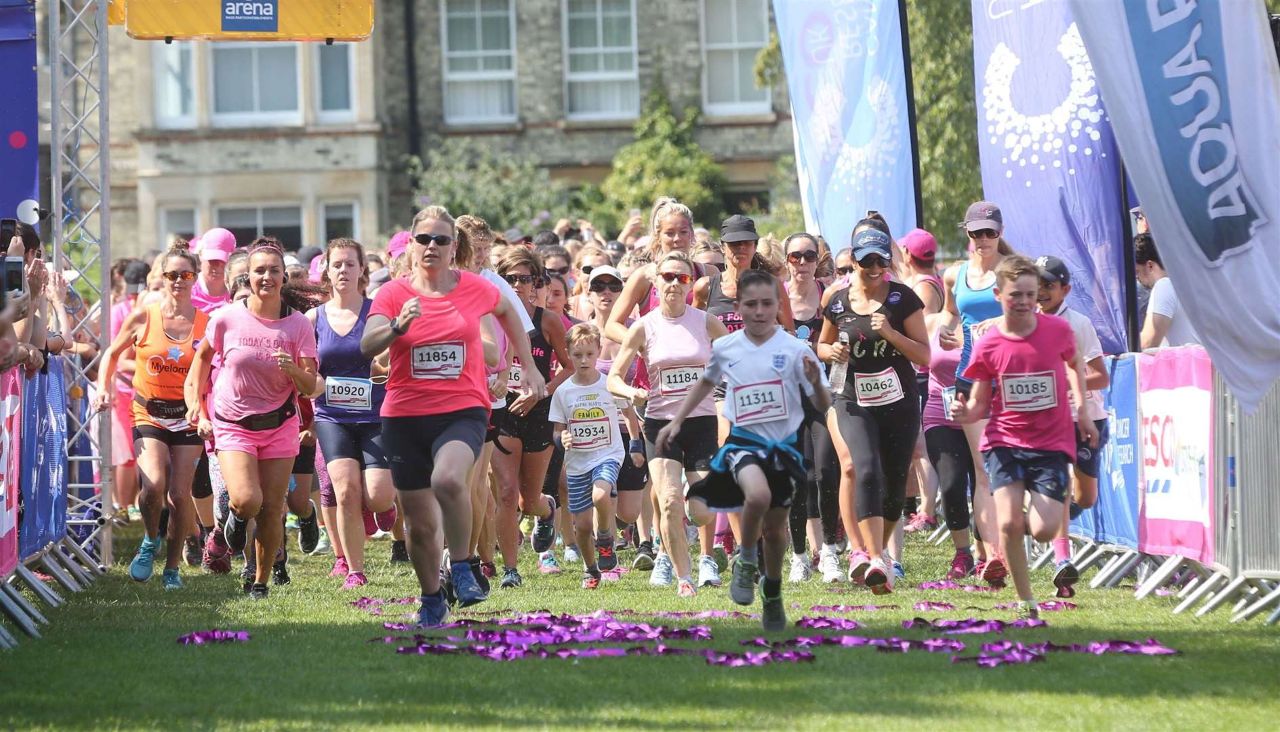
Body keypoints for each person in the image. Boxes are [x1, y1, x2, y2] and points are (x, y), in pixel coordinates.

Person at [360, 206, 546, 627]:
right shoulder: (392, 294)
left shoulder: (475, 287)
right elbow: (368, 345)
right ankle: (431, 598)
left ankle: (462, 565)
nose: (432, 246)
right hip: (405, 414)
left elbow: (509, 312)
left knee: (448, 479)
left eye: (441, 240)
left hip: (463, 408)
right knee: (419, 524)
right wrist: (396, 327)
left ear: (453, 247)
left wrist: (530, 367)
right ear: (411, 245)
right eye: (424, 239)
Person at [661, 269, 831, 631]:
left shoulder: (795, 349)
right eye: (751, 304)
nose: (759, 311)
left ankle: (772, 592)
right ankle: (747, 558)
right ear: (738, 308)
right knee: (757, 495)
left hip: (784, 448)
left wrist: (816, 383)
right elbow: (704, 384)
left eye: (767, 304)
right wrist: (678, 420)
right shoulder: (727, 348)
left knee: (776, 529)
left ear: (778, 306)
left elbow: (823, 401)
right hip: (744, 444)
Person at [951, 255, 1099, 620]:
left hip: (1051, 443)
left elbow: (1076, 365)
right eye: (1016, 294)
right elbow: (979, 403)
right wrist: (965, 413)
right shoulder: (988, 344)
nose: (1025, 301)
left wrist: (1083, 411)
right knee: (1007, 523)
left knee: (1043, 530)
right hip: (1004, 442)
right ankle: (1026, 601)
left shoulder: (1058, 331)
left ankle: (1037, 517)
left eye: (1030, 294)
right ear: (998, 295)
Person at [184, 242, 319, 600]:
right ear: (248, 276)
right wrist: (194, 401)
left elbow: (309, 386)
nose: (267, 277)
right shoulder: (226, 317)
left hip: (280, 423)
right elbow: (202, 358)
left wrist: (293, 370)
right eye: (260, 271)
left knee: (273, 509)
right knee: (246, 499)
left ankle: (259, 581)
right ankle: (238, 516)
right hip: (233, 422)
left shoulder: (298, 324)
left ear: (284, 277)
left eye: (274, 270)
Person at [608, 250, 729, 598]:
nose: (675, 283)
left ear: (691, 284)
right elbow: (613, 377)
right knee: (670, 500)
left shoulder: (706, 322)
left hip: (702, 422)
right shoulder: (643, 327)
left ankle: (696, 501)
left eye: (682, 277)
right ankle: (683, 578)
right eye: (668, 277)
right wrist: (632, 391)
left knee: (702, 513)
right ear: (656, 282)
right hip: (660, 424)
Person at [817, 228, 929, 593]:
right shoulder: (838, 302)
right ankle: (871, 556)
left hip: (899, 403)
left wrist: (893, 334)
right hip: (852, 400)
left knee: (895, 484)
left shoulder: (903, 299)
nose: (876, 267)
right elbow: (822, 344)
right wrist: (831, 352)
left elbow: (925, 355)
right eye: (868, 260)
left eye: (882, 260)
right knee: (862, 467)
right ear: (854, 261)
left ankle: (879, 555)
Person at [95, 243, 208, 589]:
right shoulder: (144, 316)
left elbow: (216, 369)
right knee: (153, 486)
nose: (179, 281)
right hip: (149, 412)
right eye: (172, 274)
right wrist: (103, 387)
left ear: (195, 278)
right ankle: (149, 538)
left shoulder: (206, 323)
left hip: (187, 416)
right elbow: (111, 354)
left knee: (180, 494)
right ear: (161, 277)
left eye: (186, 274)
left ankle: (172, 569)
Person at [309, 238, 397, 590]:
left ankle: (381, 506)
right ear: (327, 271)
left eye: (350, 264)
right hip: (332, 417)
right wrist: (314, 383)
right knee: (345, 490)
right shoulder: (313, 318)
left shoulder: (378, 314)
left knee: (378, 496)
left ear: (363, 269)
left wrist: (385, 366)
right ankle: (355, 571)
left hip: (376, 415)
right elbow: (308, 372)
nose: (343, 270)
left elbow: (393, 362)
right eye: (337, 264)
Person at [938, 200, 1013, 585]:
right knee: (983, 470)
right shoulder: (955, 274)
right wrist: (946, 329)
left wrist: (1000, 320)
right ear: (966, 233)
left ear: (1000, 233)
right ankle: (995, 557)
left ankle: (1013, 549)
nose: (983, 239)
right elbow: (952, 312)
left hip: (1011, 377)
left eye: (989, 232)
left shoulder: (1014, 270)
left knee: (1012, 466)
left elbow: (1035, 312)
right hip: (969, 377)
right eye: (976, 233)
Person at [491, 247, 570, 587]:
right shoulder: (490, 318)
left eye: (525, 279)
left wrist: (542, 391)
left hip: (539, 412)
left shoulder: (547, 321)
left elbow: (570, 367)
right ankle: (511, 569)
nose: (517, 285)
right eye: (510, 279)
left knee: (528, 500)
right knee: (507, 493)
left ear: (537, 283)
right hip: (503, 410)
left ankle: (547, 509)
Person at [1035, 255, 1110, 598]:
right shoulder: (1025, 323)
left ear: (1065, 289)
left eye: (1048, 285)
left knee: (1086, 497)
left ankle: (1052, 521)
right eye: (1037, 284)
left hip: (1088, 417)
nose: (1041, 291)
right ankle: (1062, 559)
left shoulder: (1079, 324)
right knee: (1061, 486)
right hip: (1050, 419)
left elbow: (1101, 376)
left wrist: (1064, 383)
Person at [548, 323, 628, 589]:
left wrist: (637, 444)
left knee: (601, 495)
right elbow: (557, 430)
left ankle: (605, 537)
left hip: (608, 454)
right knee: (582, 527)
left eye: (590, 354)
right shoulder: (563, 392)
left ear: (598, 352)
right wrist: (562, 439)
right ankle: (590, 568)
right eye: (577, 355)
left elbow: (628, 413)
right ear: (568, 354)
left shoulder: (609, 384)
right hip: (577, 463)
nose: (584, 360)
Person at [782, 232, 841, 583]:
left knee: (827, 472)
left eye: (808, 256)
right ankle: (799, 556)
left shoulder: (829, 294)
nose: (802, 263)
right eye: (795, 256)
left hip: (824, 396)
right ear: (786, 260)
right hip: (788, 399)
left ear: (818, 260)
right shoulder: (778, 296)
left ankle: (830, 551)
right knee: (797, 478)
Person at [585, 265, 652, 569]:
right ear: (589, 293)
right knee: (603, 495)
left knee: (629, 510)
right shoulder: (582, 334)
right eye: (599, 286)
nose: (607, 292)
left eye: (614, 287)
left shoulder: (637, 330)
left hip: (633, 427)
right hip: (597, 430)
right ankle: (606, 552)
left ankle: (624, 530)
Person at [1136, 233, 1200, 348]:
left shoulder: (1164, 286)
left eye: (1137, 272)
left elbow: (1148, 342)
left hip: (1185, 359)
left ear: (1150, 266)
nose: (1137, 278)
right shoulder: (1187, 283)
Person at [191, 228, 236, 313]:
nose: (218, 265)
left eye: (223, 260)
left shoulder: (239, 291)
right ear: (200, 255)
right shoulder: (187, 289)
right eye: (212, 259)